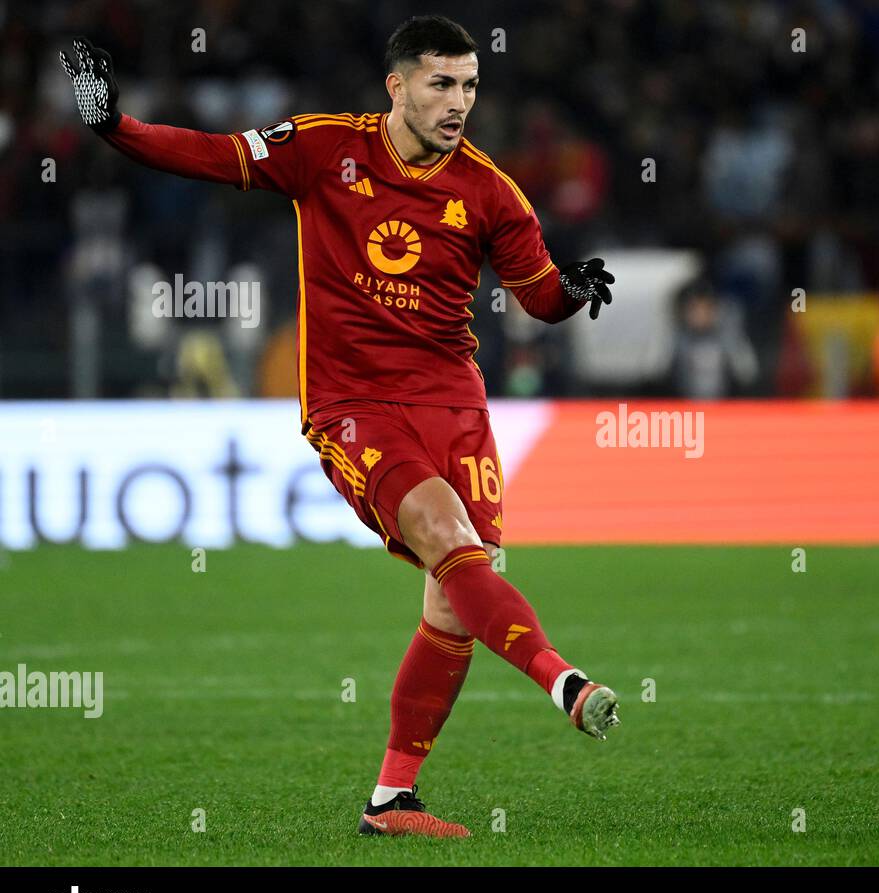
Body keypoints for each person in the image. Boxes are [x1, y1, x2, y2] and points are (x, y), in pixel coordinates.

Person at [59, 15, 619, 839]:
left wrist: (572, 289)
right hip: (354, 405)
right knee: (444, 534)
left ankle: (393, 801)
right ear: (396, 86)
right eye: (440, 84)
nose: (458, 101)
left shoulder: (491, 191)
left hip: (455, 405)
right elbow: (213, 156)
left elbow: (539, 296)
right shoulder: (325, 149)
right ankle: (561, 680)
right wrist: (115, 125)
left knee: (457, 601)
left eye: (469, 85)